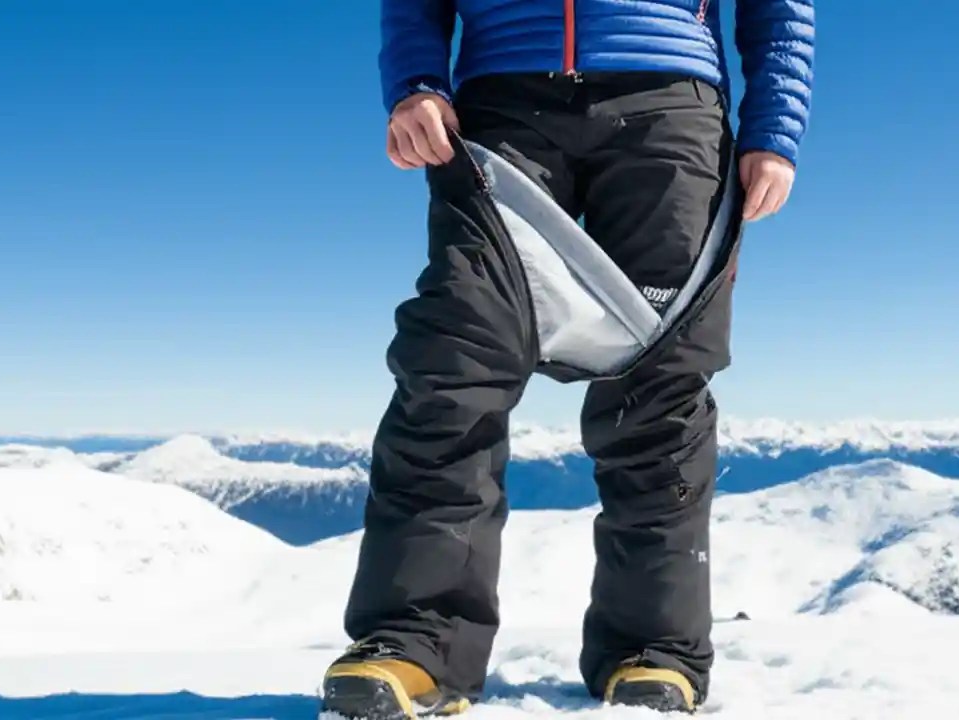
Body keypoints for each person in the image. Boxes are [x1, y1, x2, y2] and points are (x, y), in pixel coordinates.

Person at [321, 0, 813, 717]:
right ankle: (414, 641)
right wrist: (416, 81)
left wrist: (775, 126)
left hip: (670, 103)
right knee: (452, 362)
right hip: (501, 106)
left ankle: (654, 649)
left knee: (661, 380)